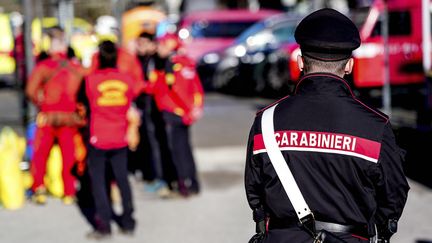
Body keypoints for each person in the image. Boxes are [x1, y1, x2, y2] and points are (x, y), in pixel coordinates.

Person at [244, 8, 409, 243]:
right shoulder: (375, 126)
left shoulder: (266, 120)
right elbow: (393, 195)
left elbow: (255, 192)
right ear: (349, 65)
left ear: (301, 62)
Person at [83, 40, 143, 238]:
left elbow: (89, 100)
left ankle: (105, 225)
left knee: (99, 182)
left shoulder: (92, 80)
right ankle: (128, 221)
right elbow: (132, 95)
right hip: (120, 136)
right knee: (122, 179)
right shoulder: (126, 79)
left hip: (98, 136)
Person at [26, 26, 85, 205]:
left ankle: (39, 189)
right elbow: (85, 91)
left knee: (41, 155)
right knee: (69, 156)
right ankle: (68, 192)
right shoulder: (77, 68)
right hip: (70, 118)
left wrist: (40, 101)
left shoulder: (43, 67)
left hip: (48, 117)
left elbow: (30, 91)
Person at [152, 34, 204, 197]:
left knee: (177, 151)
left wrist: (187, 110)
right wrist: (196, 108)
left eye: (161, 45)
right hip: (185, 113)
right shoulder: (187, 63)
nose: (158, 48)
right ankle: (194, 184)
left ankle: (183, 186)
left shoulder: (171, 64)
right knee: (186, 149)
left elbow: (175, 89)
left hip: (175, 113)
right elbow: (197, 88)